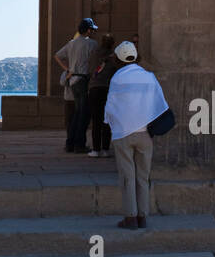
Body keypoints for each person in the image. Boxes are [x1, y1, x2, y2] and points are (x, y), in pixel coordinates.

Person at [104, 41, 169, 229]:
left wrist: (111, 124)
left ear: (119, 58)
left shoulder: (117, 78)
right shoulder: (149, 77)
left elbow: (111, 106)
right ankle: (143, 216)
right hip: (145, 134)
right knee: (143, 176)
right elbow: (160, 103)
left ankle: (130, 217)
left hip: (123, 133)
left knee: (127, 176)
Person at [54, 18, 100, 152]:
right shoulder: (92, 44)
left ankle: (70, 143)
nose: (92, 32)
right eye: (91, 29)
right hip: (83, 80)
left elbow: (57, 56)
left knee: (76, 113)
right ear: (88, 30)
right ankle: (79, 145)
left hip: (73, 80)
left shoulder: (71, 43)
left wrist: (67, 69)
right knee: (83, 114)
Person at [87, 33, 118, 158]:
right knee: (107, 120)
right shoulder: (113, 57)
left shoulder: (94, 54)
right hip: (108, 89)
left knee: (96, 120)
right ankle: (105, 149)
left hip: (94, 88)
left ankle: (95, 149)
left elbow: (89, 70)